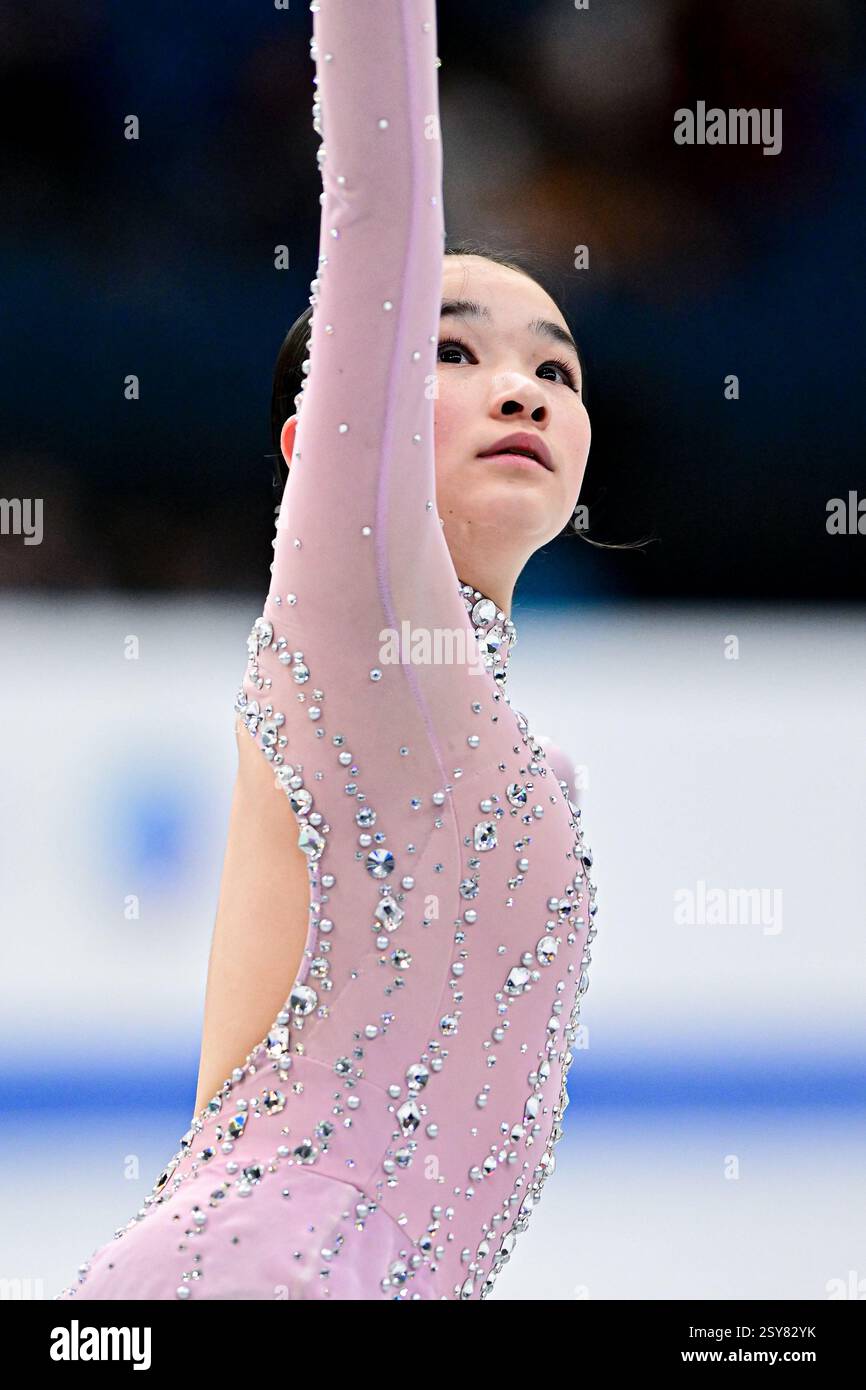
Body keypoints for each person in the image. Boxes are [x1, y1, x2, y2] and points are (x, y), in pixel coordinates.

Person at [57, 0, 597, 1301]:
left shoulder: (517, 744)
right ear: (323, 444)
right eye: (452, 350)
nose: (520, 387)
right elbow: (380, 200)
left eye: (557, 371)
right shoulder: (362, 615)